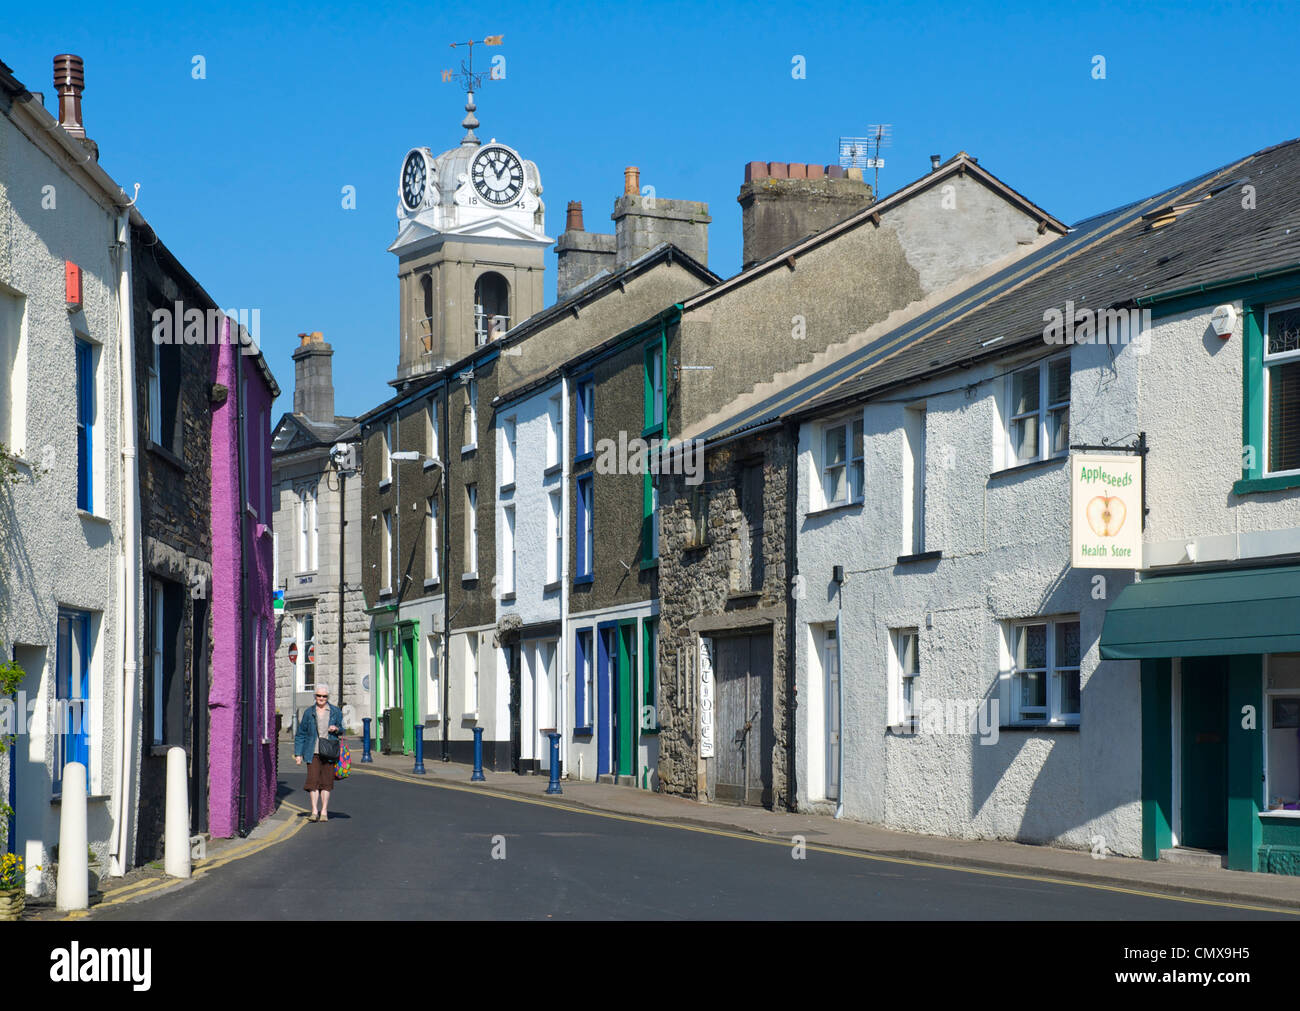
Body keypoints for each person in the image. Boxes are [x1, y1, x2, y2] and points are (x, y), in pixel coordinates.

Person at [294, 685, 344, 821]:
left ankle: (324, 811)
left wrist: (336, 728)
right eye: (319, 696)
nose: (321, 698)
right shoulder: (308, 712)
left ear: (328, 697)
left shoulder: (335, 711)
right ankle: (314, 811)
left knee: (326, 782)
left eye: (324, 696)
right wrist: (298, 754)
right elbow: (300, 734)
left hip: (329, 751)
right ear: (315, 696)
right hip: (312, 751)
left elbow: (342, 729)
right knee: (313, 781)